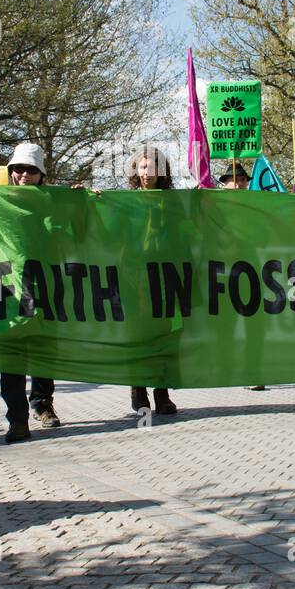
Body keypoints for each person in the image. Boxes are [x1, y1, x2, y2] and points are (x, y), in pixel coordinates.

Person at [0, 142, 63, 441]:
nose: (23, 175)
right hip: (1, 279)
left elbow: (68, 232)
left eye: (30, 170)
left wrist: (81, 200)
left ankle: (43, 404)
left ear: (41, 174)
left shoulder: (52, 201)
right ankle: (17, 419)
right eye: (17, 169)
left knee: (43, 345)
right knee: (11, 352)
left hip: (41, 278)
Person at [126, 146, 179, 416]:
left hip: (165, 275)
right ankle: (138, 391)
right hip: (135, 278)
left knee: (163, 335)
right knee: (138, 335)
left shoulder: (174, 202)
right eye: (143, 167)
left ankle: (162, 392)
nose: (148, 173)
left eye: (153, 167)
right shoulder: (124, 201)